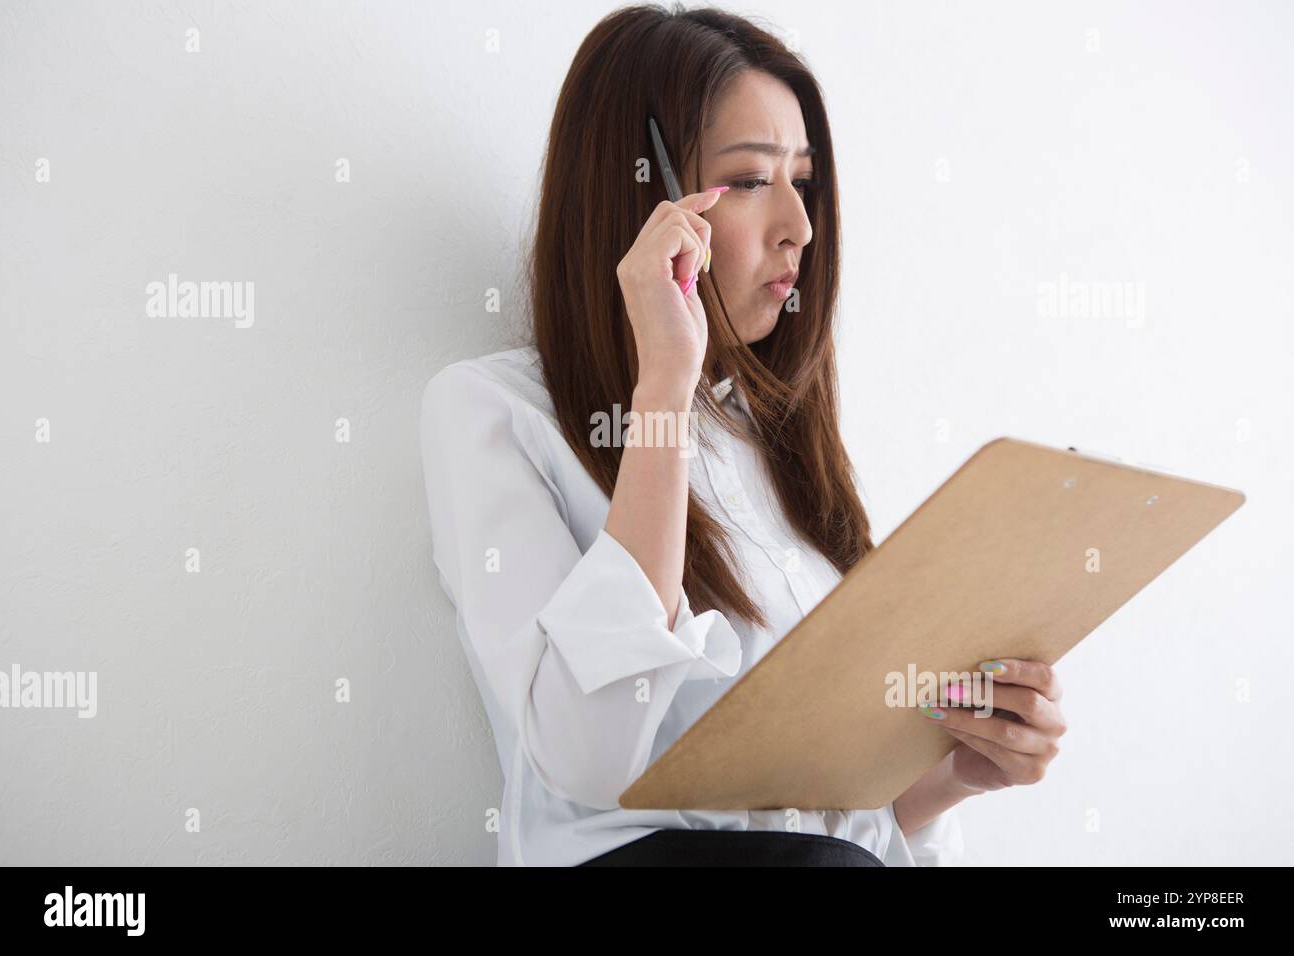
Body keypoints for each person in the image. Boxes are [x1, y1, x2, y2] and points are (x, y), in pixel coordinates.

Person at [419, 3, 1067, 867]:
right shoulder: (491, 412)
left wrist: (956, 770)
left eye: (806, 181)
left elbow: (815, 822)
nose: (799, 224)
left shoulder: (776, 444)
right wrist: (662, 389)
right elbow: (586, 757)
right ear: (646, 191)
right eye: (755, 181)